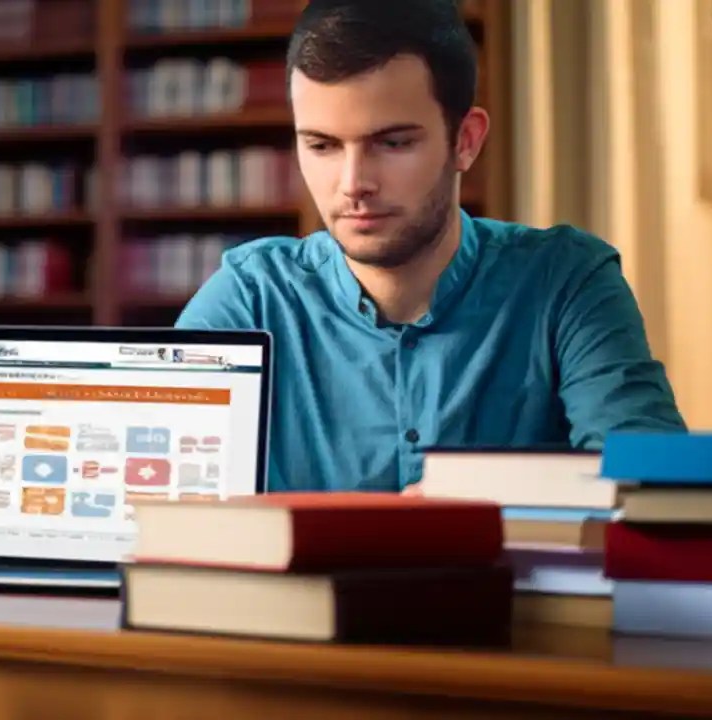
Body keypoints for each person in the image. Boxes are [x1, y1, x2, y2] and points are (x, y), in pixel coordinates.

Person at [175, 0, 686, 494]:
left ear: (465, 140)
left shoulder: (568, 281)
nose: (353, 183)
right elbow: (151, 489)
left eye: (393, 143)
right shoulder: (250, 298)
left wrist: (476, 495)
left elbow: (649, 488)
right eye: (323, 145)